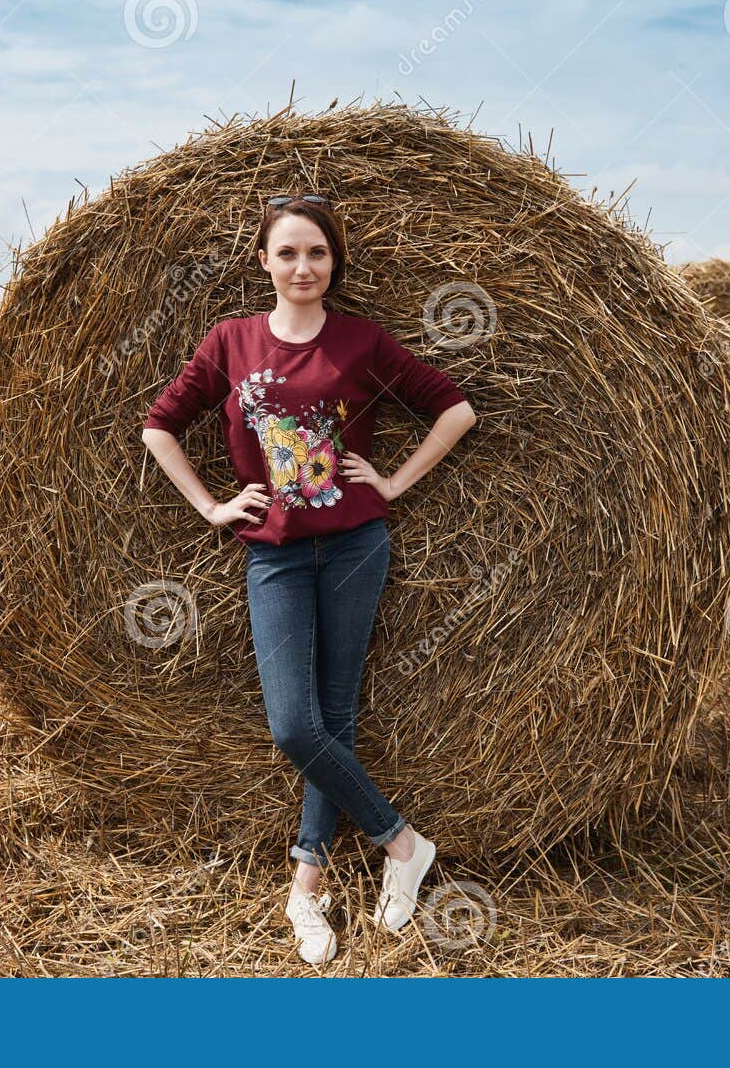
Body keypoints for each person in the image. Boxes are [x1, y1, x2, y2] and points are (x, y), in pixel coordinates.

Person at [140, 193, 477, 965]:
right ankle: (402, 844)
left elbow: (453, 409)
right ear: (263, 261)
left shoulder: (361, 341)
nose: (302, 266)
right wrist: (211, 505)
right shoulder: (231, 341)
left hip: (357, 543)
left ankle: (306, 884)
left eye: (317, 253)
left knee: (334, 714)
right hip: (276, 555)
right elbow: (160, 424)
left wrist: (393, 483)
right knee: (295, 725)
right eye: (287, 252)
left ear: (335, 263)